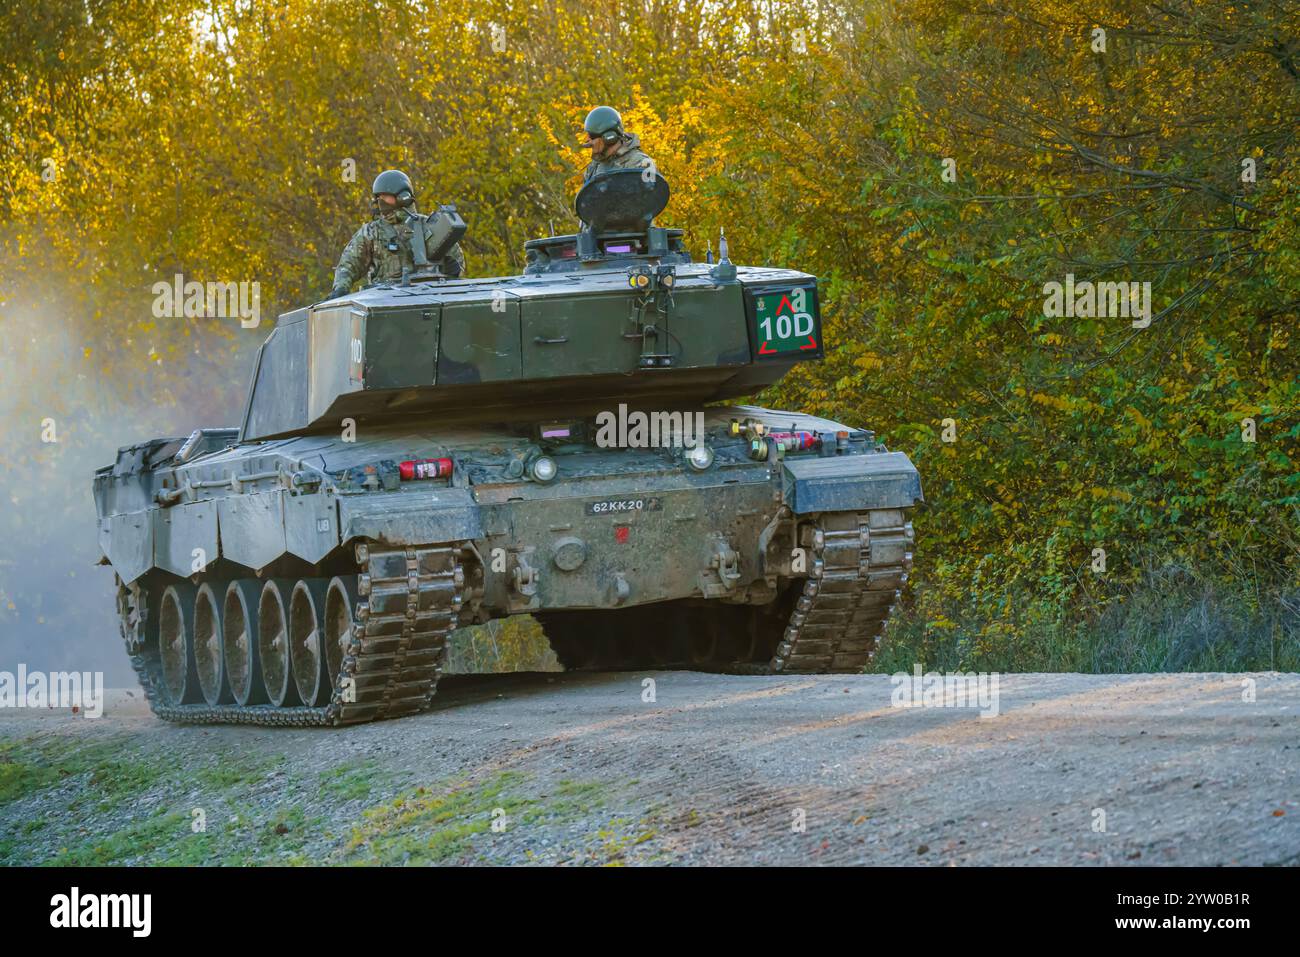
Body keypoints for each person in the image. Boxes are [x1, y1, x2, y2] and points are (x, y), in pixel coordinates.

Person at [329, 169, 465, 298]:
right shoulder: (371, 232)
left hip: (430, 297)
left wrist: (453, 270)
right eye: (378, 197)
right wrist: (341, 289)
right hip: (385, 301)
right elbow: (349, 265)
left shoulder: (429, 226)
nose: (380, 201)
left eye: (385, 196)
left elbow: (457, 261)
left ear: (403, 197)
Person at [581, 106, 655, 183]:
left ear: (609, 137)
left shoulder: (642, 163)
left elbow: (652, 193)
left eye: (592, 136)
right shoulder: (593, 169)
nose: (587, 140)